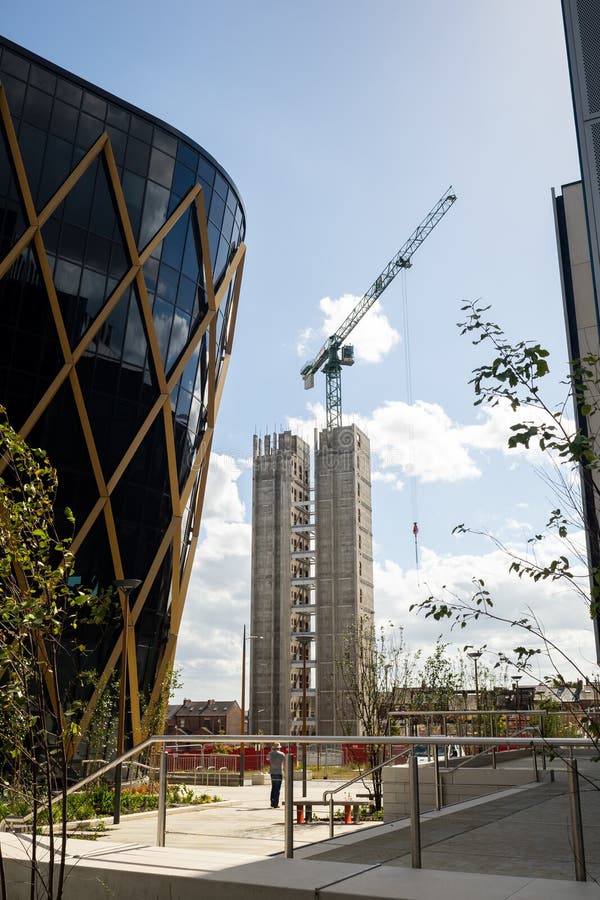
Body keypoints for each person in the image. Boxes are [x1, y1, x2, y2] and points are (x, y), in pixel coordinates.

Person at [268, 741, 285, 808]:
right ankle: (276, 803)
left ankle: (272, 802)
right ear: (279, 748)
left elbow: (267, 758)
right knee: (277, 789)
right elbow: (285, 763)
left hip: (272, 772)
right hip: (279, 772)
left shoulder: (270, 754)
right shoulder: (282, 754)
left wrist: (271, 751)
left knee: (273, 787)